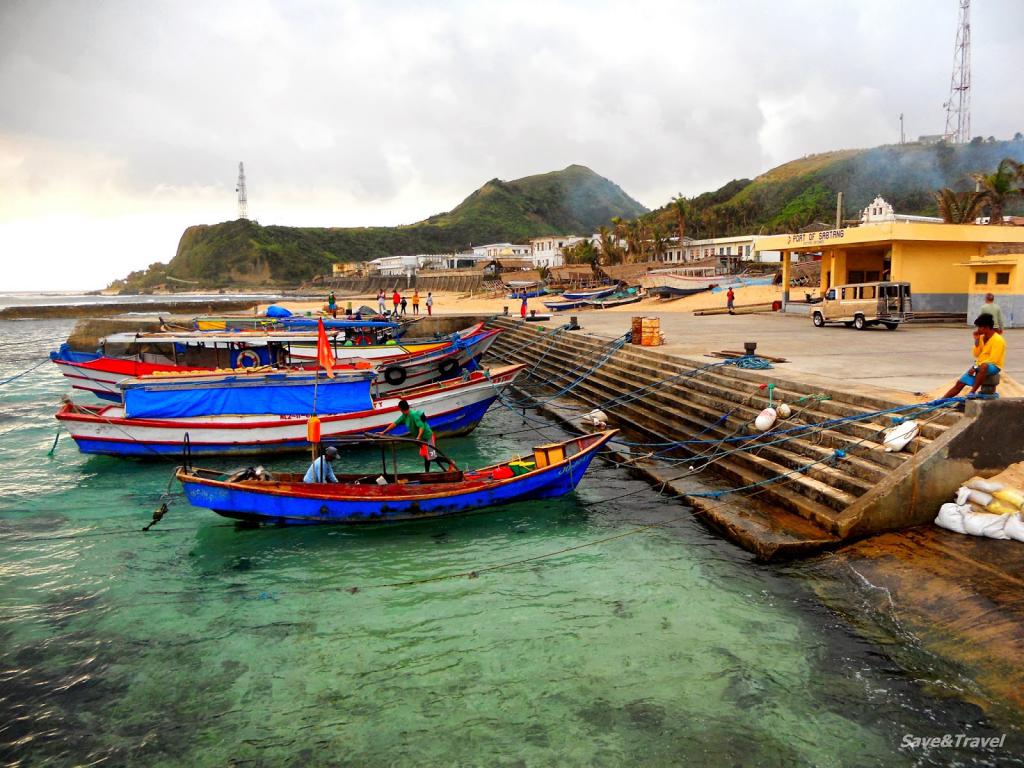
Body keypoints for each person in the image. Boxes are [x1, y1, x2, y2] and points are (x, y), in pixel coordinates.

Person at [942, 314, 1007, 399]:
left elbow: (993, 360)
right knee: (959, 383)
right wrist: (976, 341)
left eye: (980, 327)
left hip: (993, 366)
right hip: (980, 365)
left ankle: (972, 392)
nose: (978, 330)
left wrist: (976, 368)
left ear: (987, 327)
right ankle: (941, 401)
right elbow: (977, 355)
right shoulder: (981, 338)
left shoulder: (998, 340)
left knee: (984, 366)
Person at [380, 399, 451, 472]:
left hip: (428, 437)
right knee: (426, 457)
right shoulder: (404, 416)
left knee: (431, 457)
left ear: (401, 409)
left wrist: (418, 437)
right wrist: (384, 432)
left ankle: (450, 462)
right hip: (422, 439)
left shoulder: (413, 415)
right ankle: (427, 473)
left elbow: (421, 427)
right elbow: (395, 423)